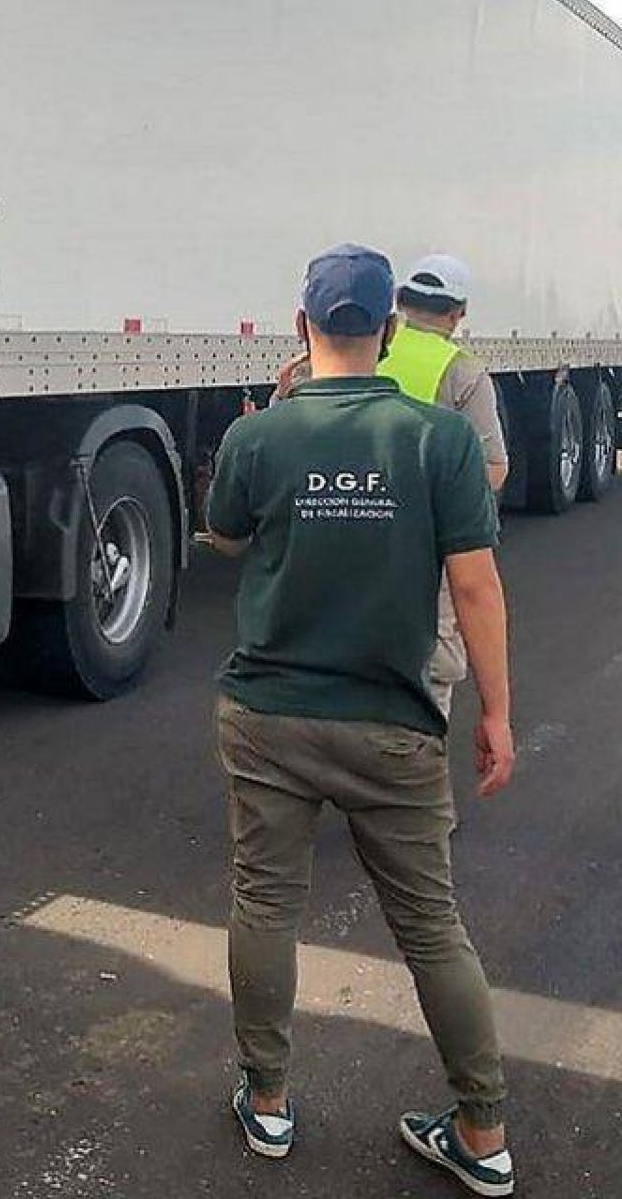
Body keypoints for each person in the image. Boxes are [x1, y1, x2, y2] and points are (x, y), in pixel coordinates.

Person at [206, 244, 517, 1195]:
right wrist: (497, 714)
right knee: (431, 926)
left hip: (271, 714)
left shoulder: (260, 438)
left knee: (266, 904)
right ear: (386, 331)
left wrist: (274, 413)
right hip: (395, 720)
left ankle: (265, 1102)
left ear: (302, 326)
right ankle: (482, 1129)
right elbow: (476, 588)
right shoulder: (440, 440)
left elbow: (224, 533)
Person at [380, 256, 509, 718]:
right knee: (431, 665)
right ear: (457, 314)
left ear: (399, 305)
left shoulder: (365, 353)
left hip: (351, 527)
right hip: (425, 543)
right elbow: (493, 469)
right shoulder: (463, 371)